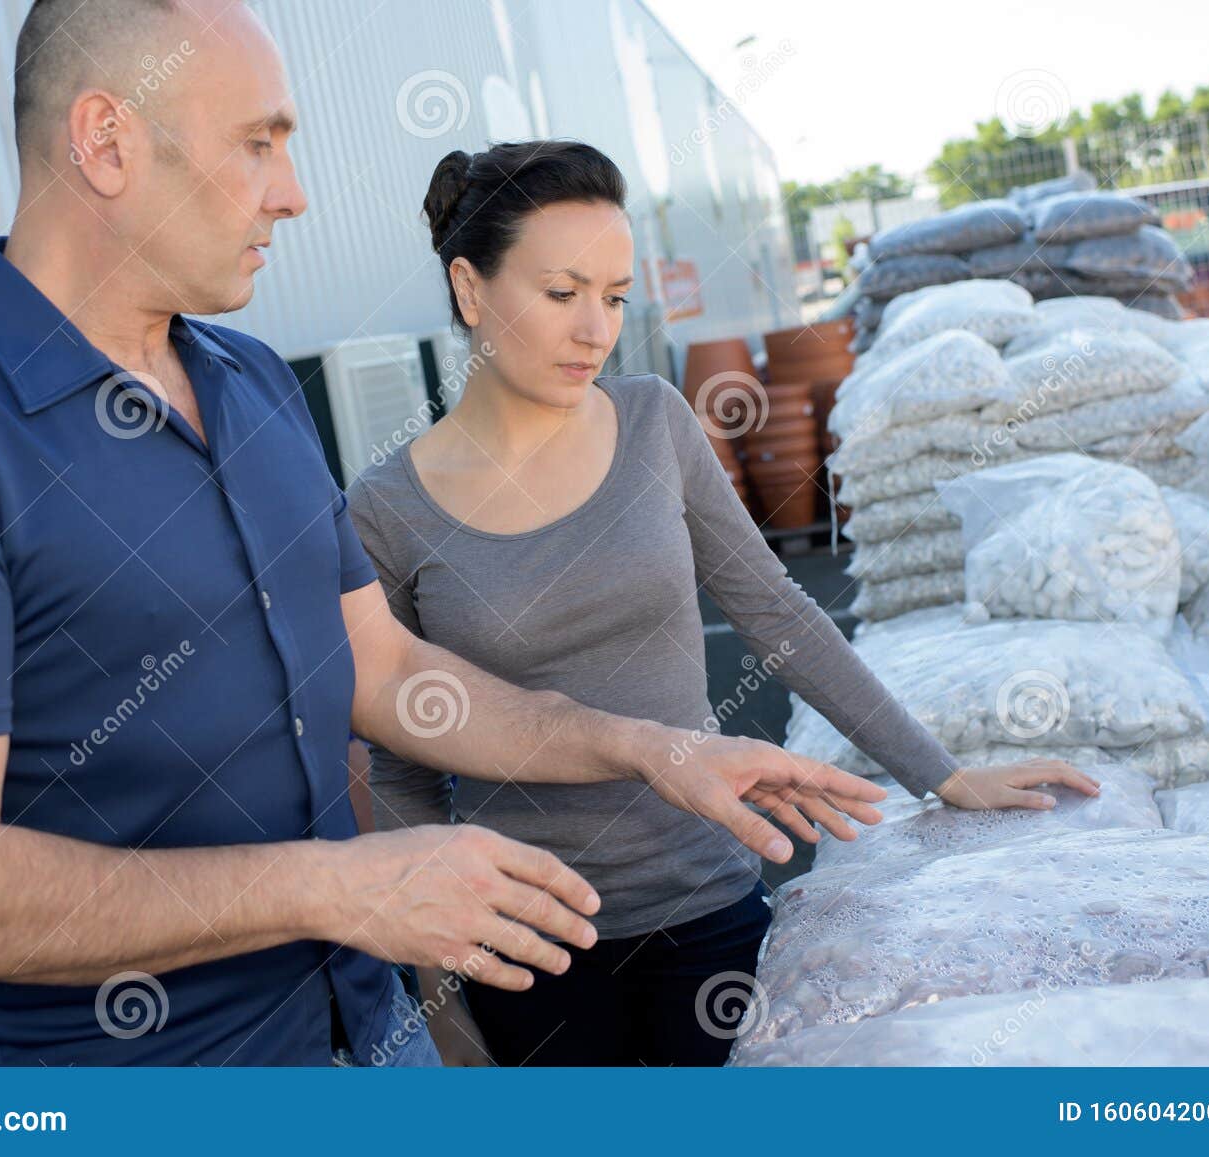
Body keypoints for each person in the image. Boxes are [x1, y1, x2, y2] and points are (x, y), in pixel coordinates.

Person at [0, 0, 886, 1067]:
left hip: (371, 1042)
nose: (294, 193)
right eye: (258, 143)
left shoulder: (254, 386)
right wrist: (334, 884)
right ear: (106, 141)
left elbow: (389, 670)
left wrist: (653, 748)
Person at [347, 141, 1102, 1066]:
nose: (597, 330)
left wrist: (942, 775)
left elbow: (777, 612)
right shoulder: (385, 508)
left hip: (703, 904)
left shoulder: (655, 421)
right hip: (520, 936)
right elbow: (403, 763)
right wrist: (442, 993)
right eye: (562, 293)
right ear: (470, 290)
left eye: (615, 297)